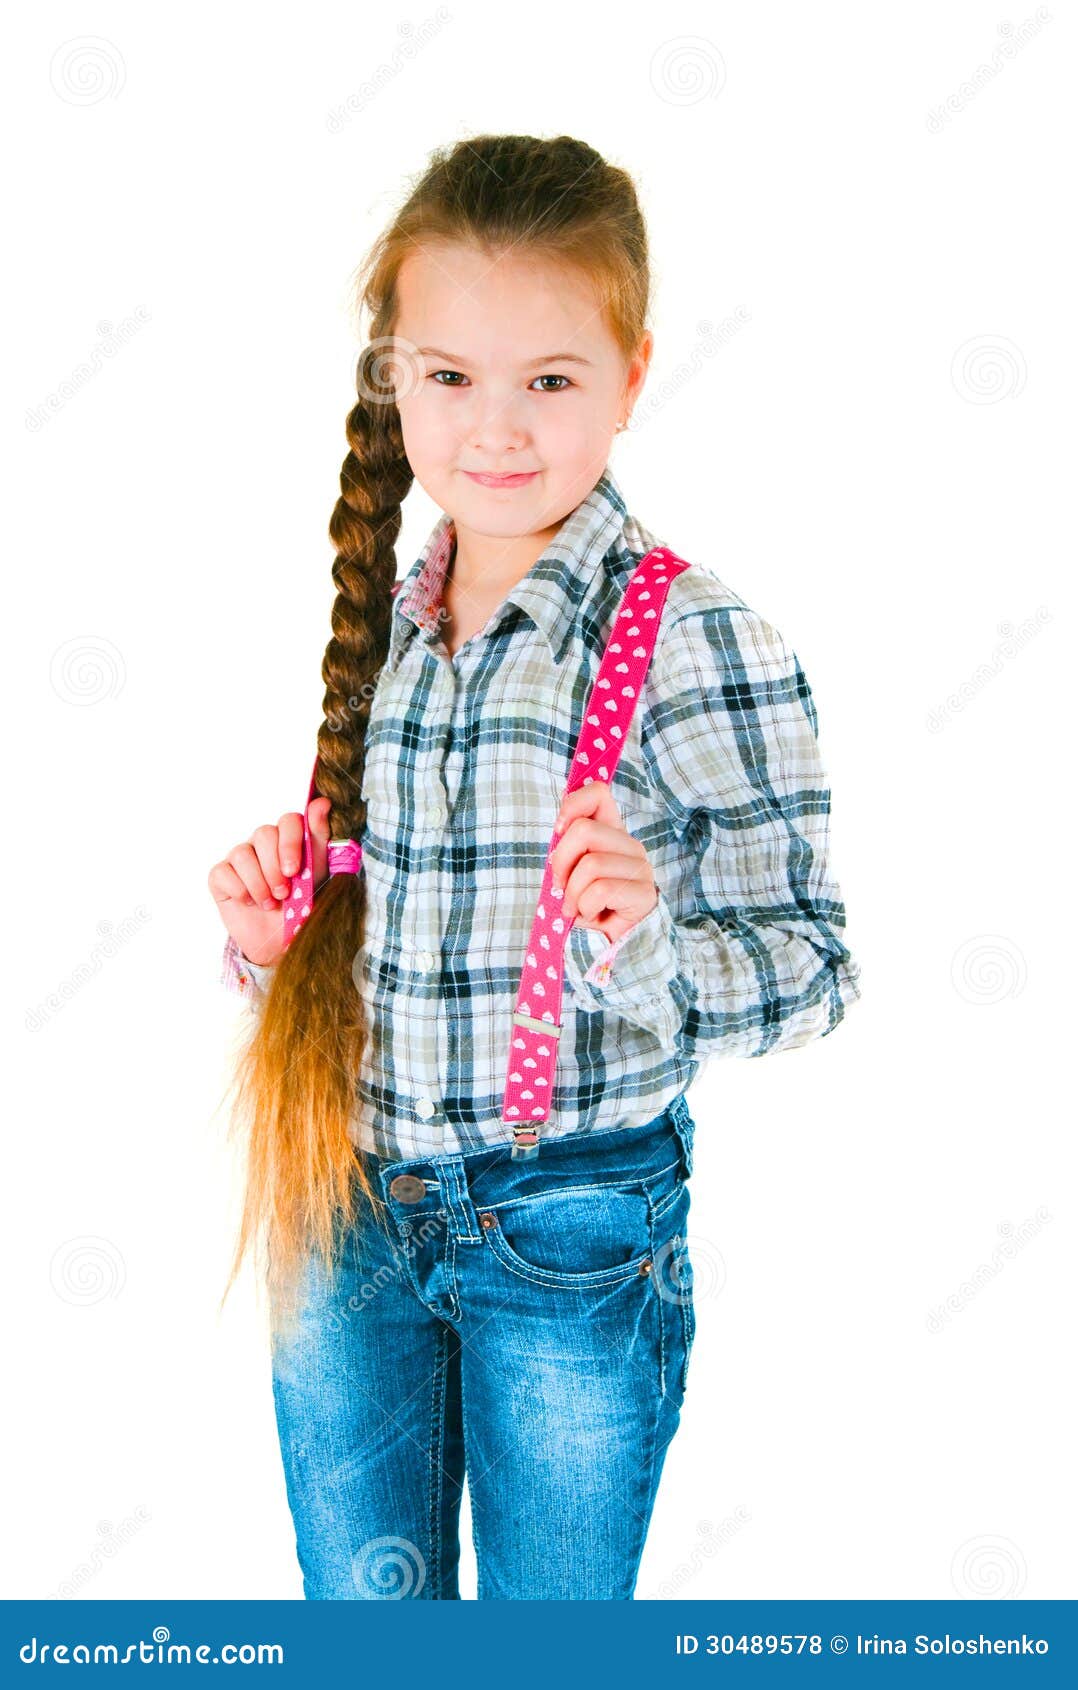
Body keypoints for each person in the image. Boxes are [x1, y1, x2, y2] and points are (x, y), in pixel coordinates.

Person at [207, 132, 862, 1600]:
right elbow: (387, 930)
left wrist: (648, 942)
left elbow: (817, 969)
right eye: (449, 375)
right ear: (394, 377)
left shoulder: (689, 636)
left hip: (570, 1226)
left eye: (549, 382)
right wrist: (274, 941)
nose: (495, 428)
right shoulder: (392, 615)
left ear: (632, 374)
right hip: (348, 1211)